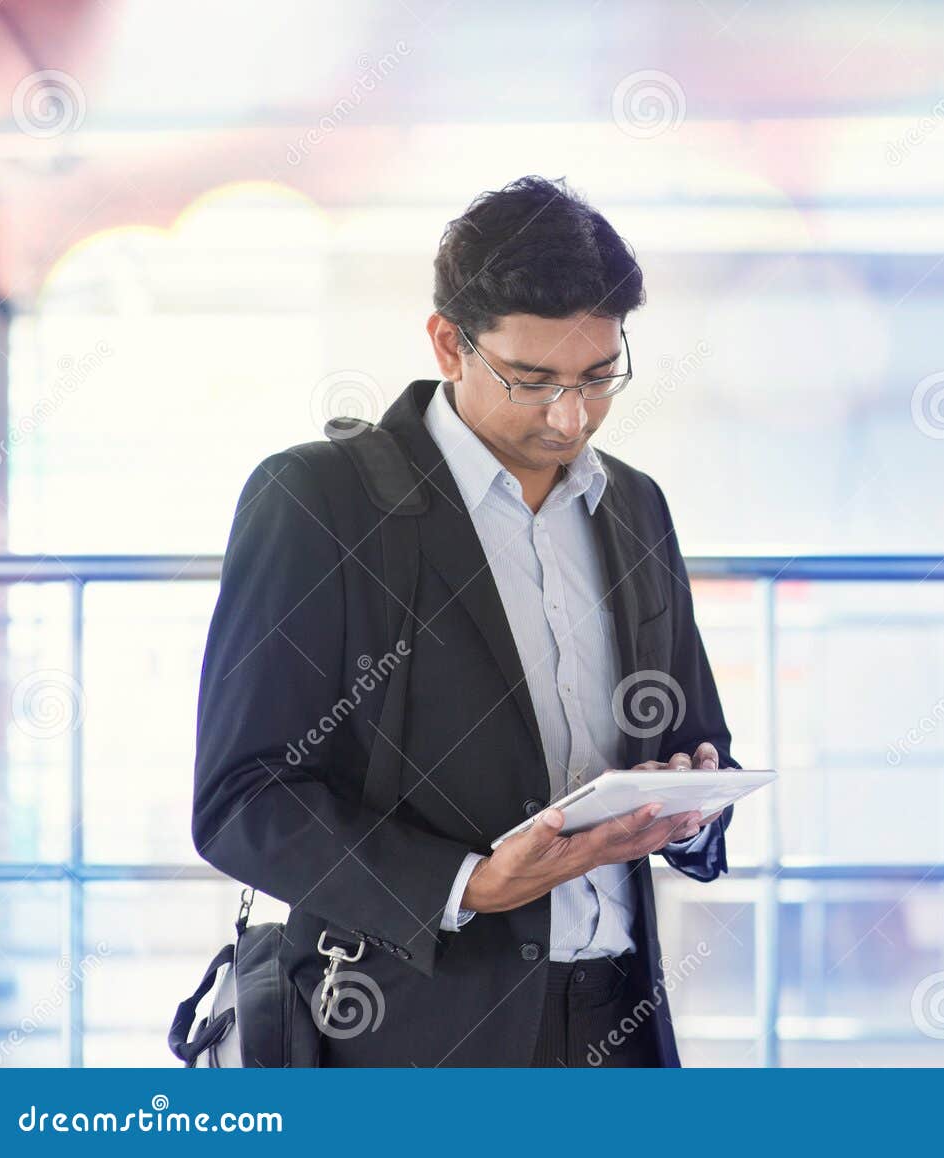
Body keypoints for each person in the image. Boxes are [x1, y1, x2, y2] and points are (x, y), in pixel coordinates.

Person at [191, 175, 738, 1067]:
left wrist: (691, 806)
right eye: (534, 380)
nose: (571, 416)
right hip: (410, 1028)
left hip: (620, 1020)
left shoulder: (635, 507)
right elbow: (243, 799)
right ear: (450, 343)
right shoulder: (321, 501)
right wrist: (468, 886)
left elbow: (694, 735)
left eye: (599, 377)